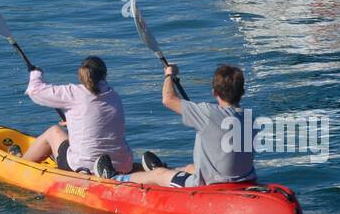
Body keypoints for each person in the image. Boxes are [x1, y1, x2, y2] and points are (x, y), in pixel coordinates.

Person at [95, 64, 256, 187]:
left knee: (158, 174)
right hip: (243, 178)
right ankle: (170, 171)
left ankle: (114, 178)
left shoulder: (207, 113)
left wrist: (169, 75)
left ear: (215, 92)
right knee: (191, 167)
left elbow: (168, 99)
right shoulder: (249, 118)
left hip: (210, 184)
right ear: (242, 92)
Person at [15, 57, 136, 176]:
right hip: (123, 164)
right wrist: (72, 121)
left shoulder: (73, 93)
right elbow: (99, 118)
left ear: (81, 75)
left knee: (53, 132)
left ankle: (19, 166)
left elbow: (34, 91)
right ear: (105, 75)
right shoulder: (114, 96)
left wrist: (36, 73)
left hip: (85, 165)